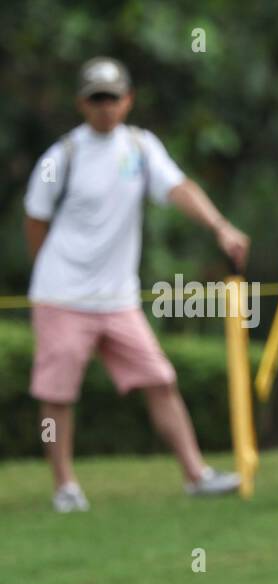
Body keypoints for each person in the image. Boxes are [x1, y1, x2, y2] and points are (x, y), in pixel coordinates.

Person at [23, 57, 249, 513]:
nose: (104, 107)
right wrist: (47, 274)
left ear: (127, 100)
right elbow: (35, 217)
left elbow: (179, 189)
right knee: (57, 392)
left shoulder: (142, 148)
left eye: (112, 97)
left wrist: (220, 226)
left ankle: (195, 474)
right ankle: (65, 486)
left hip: (118, 298)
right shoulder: (61, 156)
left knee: (160, 380)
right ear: (82, 103)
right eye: (96, 98)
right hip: (62, 295)